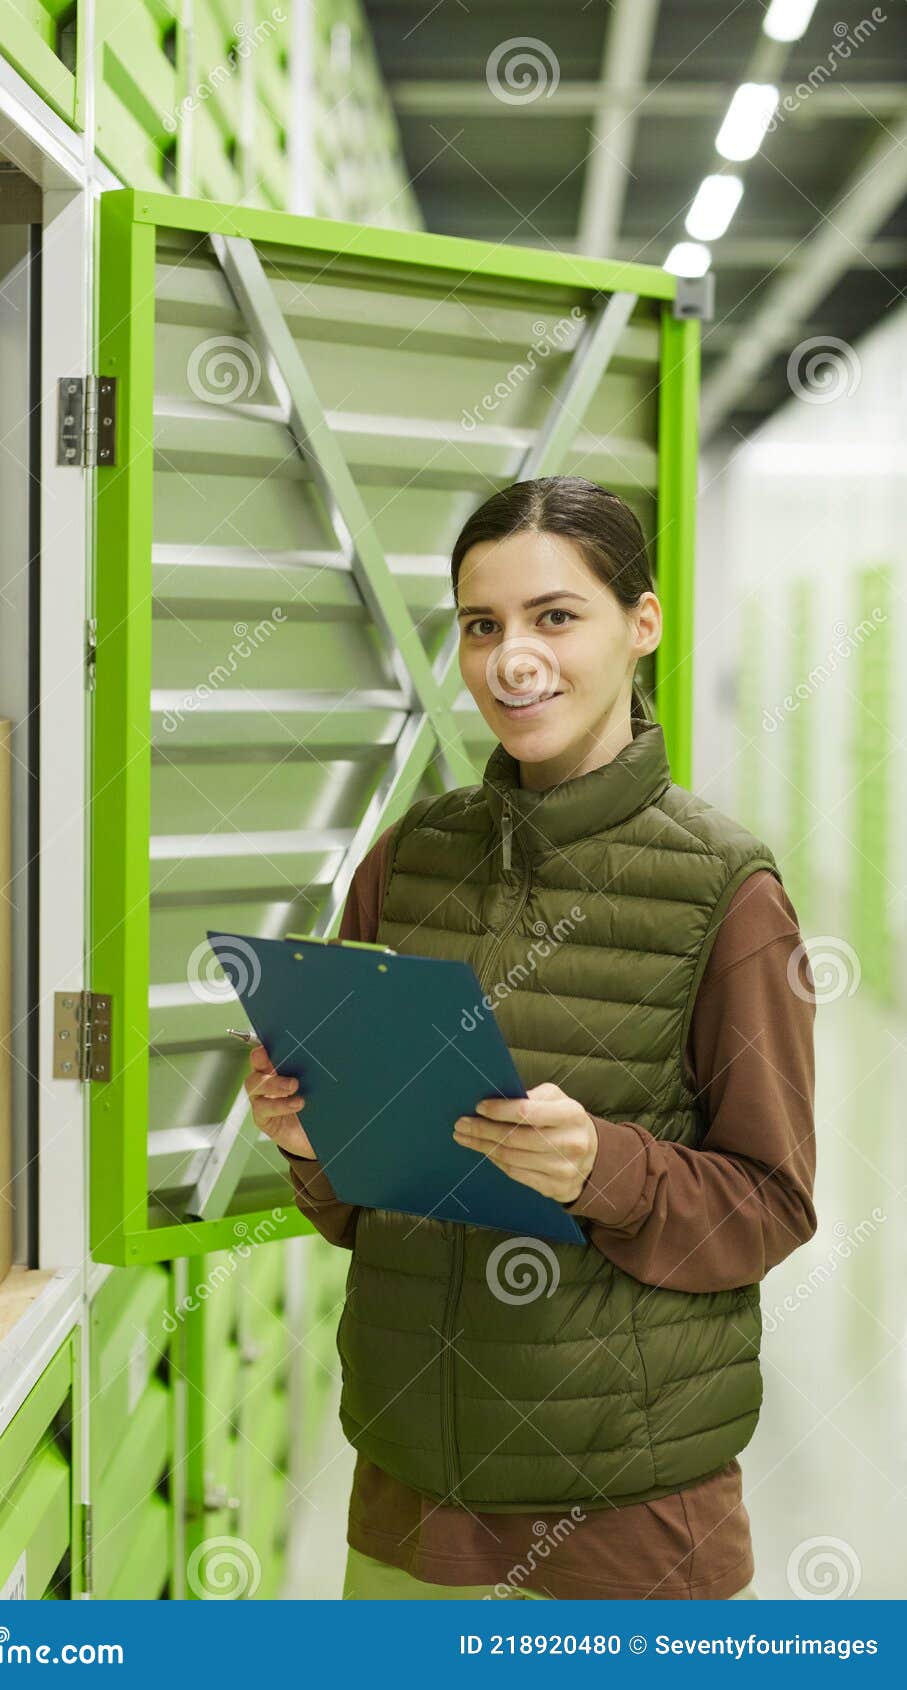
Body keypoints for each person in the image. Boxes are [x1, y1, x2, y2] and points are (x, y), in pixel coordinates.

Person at [245, 475, 817, 1601]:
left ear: (639, 625)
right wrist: (310, 1140)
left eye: (555, 617)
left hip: (624, 1520)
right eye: (480, 625)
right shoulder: (408, 858)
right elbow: (358, 1205)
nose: (513, 659)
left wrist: (602, 1167)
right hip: (407, 1495)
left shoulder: (726, 890)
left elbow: (773, 1206)